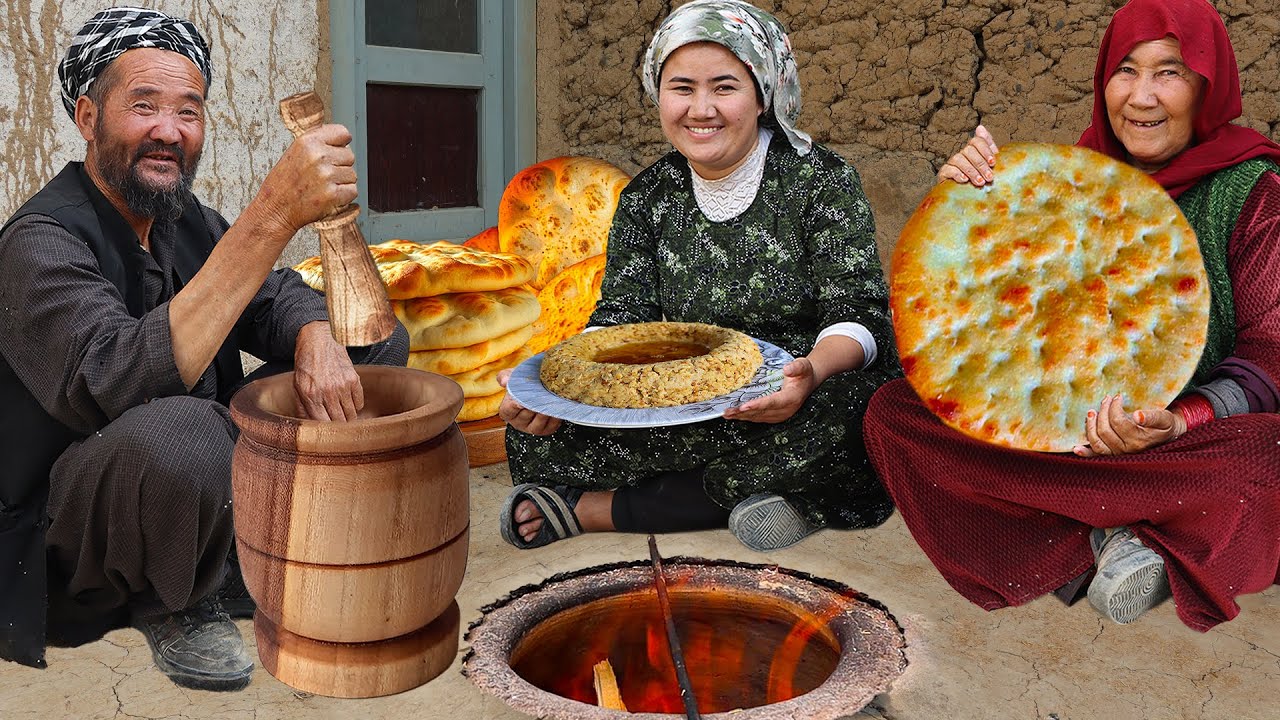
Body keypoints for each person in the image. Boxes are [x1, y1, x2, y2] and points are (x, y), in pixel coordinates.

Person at [0, 8, 409, 689]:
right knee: (183, 432)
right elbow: (114, 380)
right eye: (144, 106)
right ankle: (176, 594)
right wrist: (275, 213)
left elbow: (274, 296)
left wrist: (314, 335)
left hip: (205, 461)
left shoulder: (181, 219)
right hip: (74, 527)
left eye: (188, 111)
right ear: (87, 118)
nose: (169, 130)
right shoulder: (39, 242)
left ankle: (236, 550)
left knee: (371, 343)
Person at [864, 0, 1280, 629]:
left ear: (1208, 85)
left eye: (1169, 72)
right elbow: (982, 327)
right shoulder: (1061, 181)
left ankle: (1095, 531)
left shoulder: (1254, 193)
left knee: (1268, 453)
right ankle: (1124, 539)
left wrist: (1179, 421)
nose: (1141, 96)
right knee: (895, 414)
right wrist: (963, 210)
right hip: (1068, 437)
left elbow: (1272, 352)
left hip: (1189, 441)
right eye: (1125, 70)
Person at [495, 0, 899, 553]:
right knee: (537, 425)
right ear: (658, 94)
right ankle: (771, 496)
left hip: (801, 390)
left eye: (724, 87)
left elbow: (860, 315)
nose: (700, 109)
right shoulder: (648, 196)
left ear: (762, 94)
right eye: (681, 88)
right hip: (695, 392)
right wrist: (550, 386)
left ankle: (595, 509)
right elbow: (622, 319)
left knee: (863, 414)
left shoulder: (819, 181)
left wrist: (810, 374)